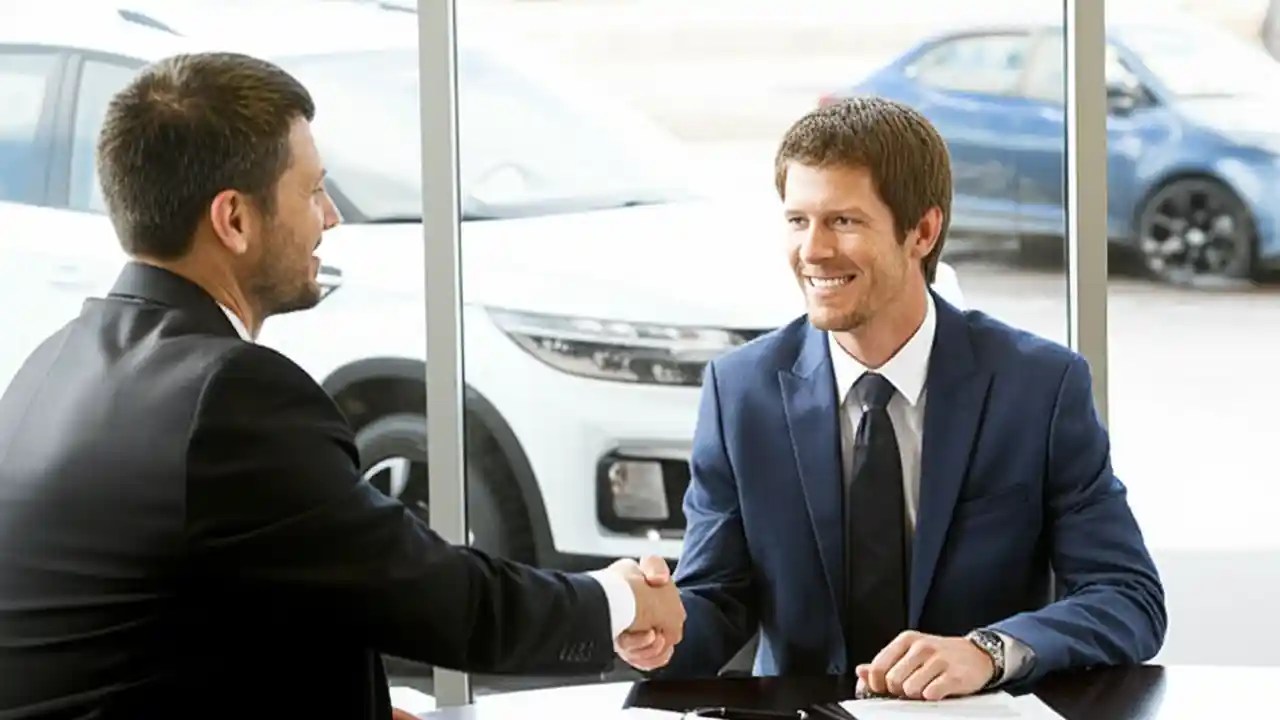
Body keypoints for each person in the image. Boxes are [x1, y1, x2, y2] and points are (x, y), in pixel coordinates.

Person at [0, 52, 684, 720]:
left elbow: (188, 616)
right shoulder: (230, 395)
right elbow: (434, 599)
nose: (331, 218)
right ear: (234, 220)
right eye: (312, 190)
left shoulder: (51, 366)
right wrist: (617, 601)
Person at [615, 97, 1166, 700]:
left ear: (922, 232)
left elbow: (1127, 597)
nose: (813, 251)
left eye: (843, 222)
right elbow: (717, 603)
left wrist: (988, 651)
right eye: (798, 221)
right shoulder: (739, 392)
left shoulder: (1038, 387)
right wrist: (655, 625)